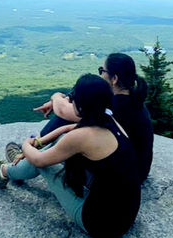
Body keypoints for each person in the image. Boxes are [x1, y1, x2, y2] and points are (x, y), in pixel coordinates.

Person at [0, 73, 141, 238]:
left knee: (41, 162)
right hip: (126, 214)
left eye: (73, 97)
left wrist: (26, 145)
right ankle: (20, 165)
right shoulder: (108, 119)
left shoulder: (83, 137)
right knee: (57, 144)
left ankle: (2, 172)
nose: (70, 100)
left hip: (101, 224)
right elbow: (68, 130)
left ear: (81, 104)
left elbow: (40, 160)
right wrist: (38, 142)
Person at [33, 52, 154, 182]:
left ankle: (35, 151)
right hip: (136, 169)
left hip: (124, 175)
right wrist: (64, 99)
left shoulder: (115, 105)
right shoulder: (130, 97)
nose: (100, 74)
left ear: (114, 79)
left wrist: (56, 96)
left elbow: (64, 111)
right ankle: (38, 148)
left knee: (66, 121)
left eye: (102, 70)